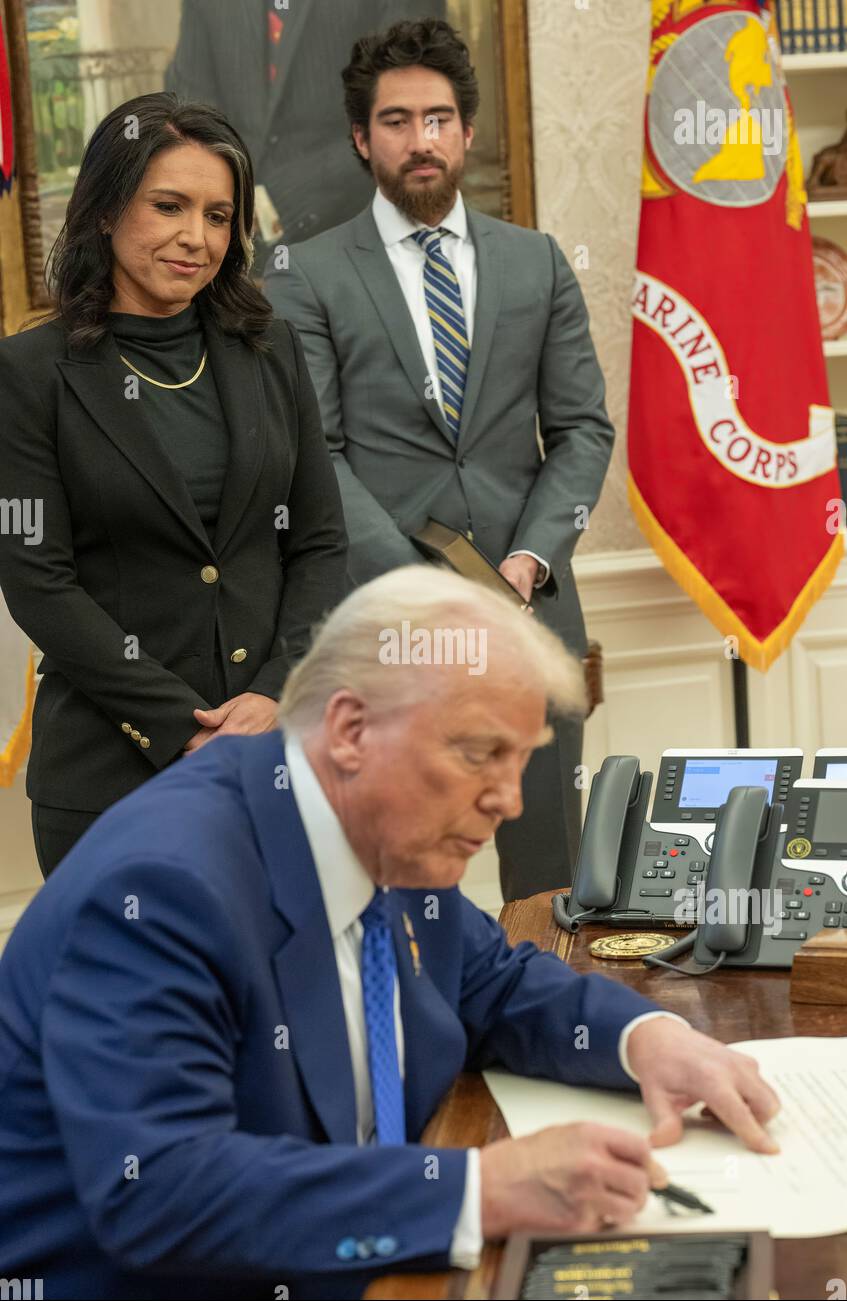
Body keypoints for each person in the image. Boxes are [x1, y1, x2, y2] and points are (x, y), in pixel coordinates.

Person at [0, 568, 780, 1300]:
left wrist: (648, 1037)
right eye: (481, 755)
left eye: (521, 762)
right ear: (349, 730)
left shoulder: (382, 835)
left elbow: (492, 980)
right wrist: (484, 1190)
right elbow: (161, 1192)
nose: (510, 801)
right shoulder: (163, 887)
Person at [264, 17, 613, 902]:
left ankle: (541, 1040)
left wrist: (527, 562)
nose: (419, 140)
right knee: (399, 874)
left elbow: (582, 431)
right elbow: (319, 456)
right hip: (388, 626)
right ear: (360, 137)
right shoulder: (305, 275)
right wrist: (430, 586)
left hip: (531, 618)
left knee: (546, 885)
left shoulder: (536, 263)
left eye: (437, 117)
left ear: (465, 131)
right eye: (395, 121)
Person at [0, 93, 347, 877]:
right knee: (131, 1001)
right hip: (108, 783)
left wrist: (273, 692)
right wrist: (185, 726)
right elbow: (38, 582)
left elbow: (320, 542)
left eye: (220, 216)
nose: (198, 237)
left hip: (275, 763)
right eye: (170, 206)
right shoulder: (28, 374)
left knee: (275, 996)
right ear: (104, 209)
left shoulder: (271, 351)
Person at [165, 0, 446, 263]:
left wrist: (279, 198)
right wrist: (229, 193)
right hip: (233, 244)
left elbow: (408, 111)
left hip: (362, 229)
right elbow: (190, 107)